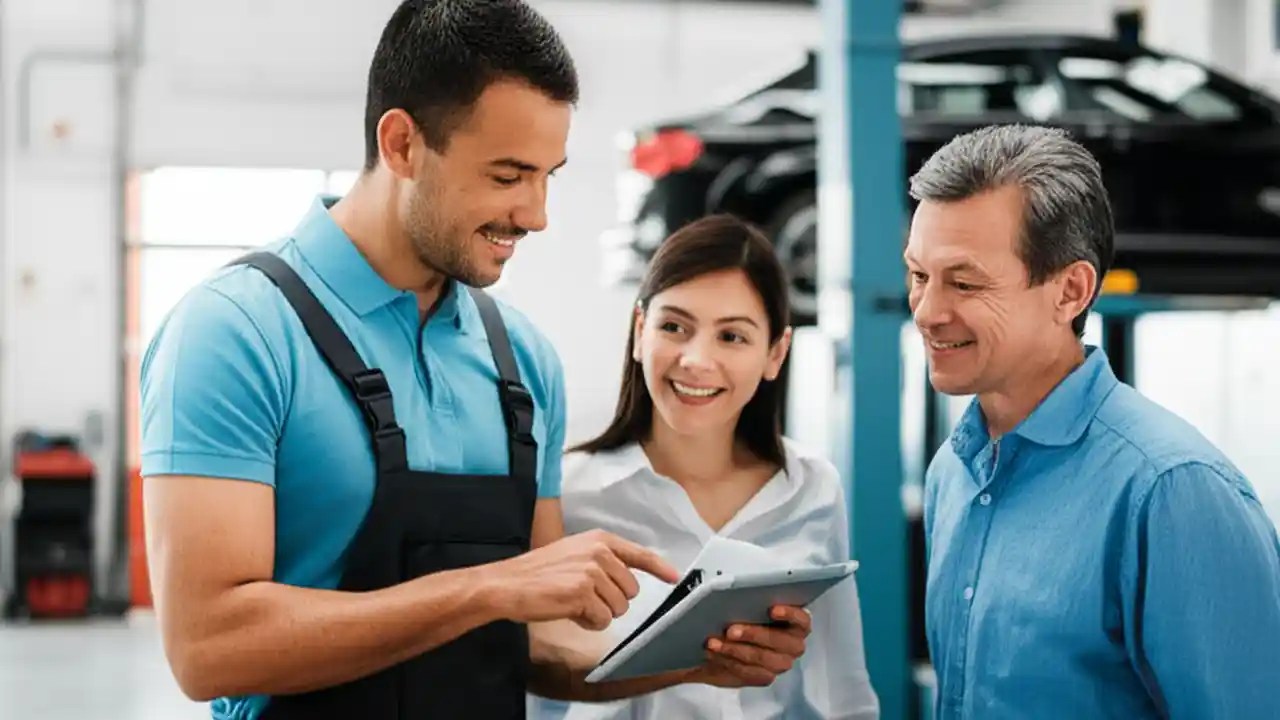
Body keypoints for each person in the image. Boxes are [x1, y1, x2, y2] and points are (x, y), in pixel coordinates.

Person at [139, 2, 814, 719]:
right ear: (402, 144)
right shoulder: (236, 333)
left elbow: (535, 642)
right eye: (507, 175)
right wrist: (490, 588)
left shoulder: (523, 360)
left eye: (548, 175)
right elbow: (208, 648)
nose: (536, 214)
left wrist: (691, 657)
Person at [908, 123, 1280, 719]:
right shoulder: (953, 471)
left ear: (1070, 291)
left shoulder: (1174, 492)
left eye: (964, 282)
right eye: (918, 275)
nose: (927, 312)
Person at [529, 215, 880, 720]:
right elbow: (533, 675)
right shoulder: (566, 492)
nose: (696, 360)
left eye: (732, 336)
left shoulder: (812, 487)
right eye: (674, 327)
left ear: (775, 353)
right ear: (640, 331)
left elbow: (843, 690)